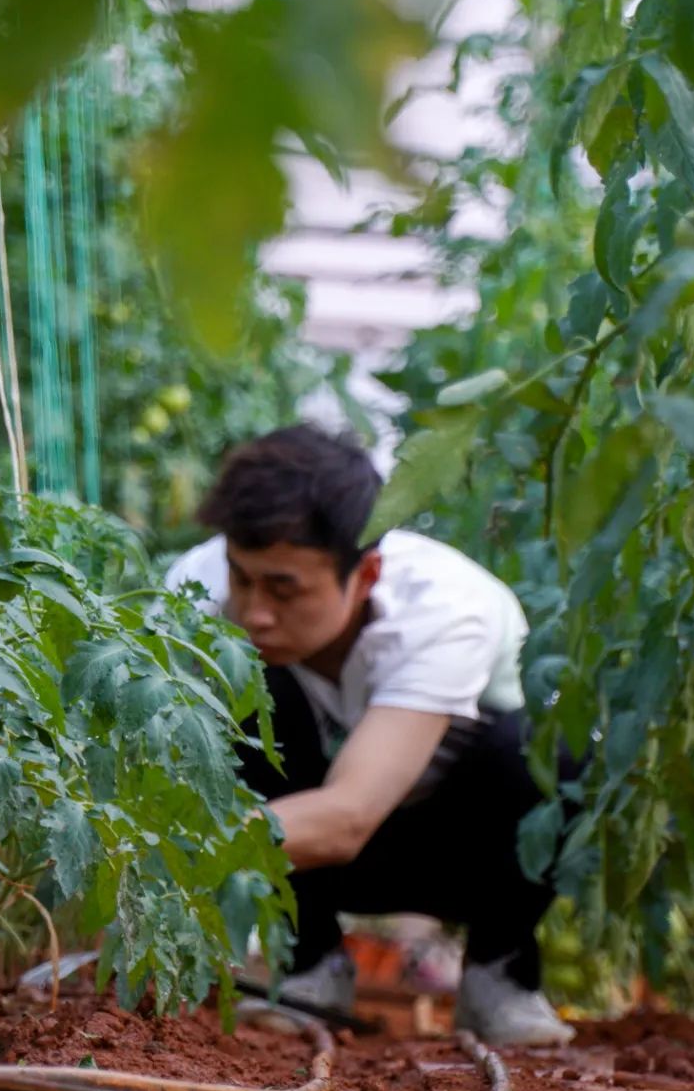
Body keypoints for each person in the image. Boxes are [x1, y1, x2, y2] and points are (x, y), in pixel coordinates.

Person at [164, 423, 575, 1047]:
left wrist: (161, 857)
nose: (253, 611)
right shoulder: (196, 591)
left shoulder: (447, 609)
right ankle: (309, 964)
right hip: (303, 853)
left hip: (451, 848)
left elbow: (348, 816)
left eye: (284, 589)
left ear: (368, 572)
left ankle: (501, 970)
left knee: (551, 746)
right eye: (242, 578)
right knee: (234, 698)